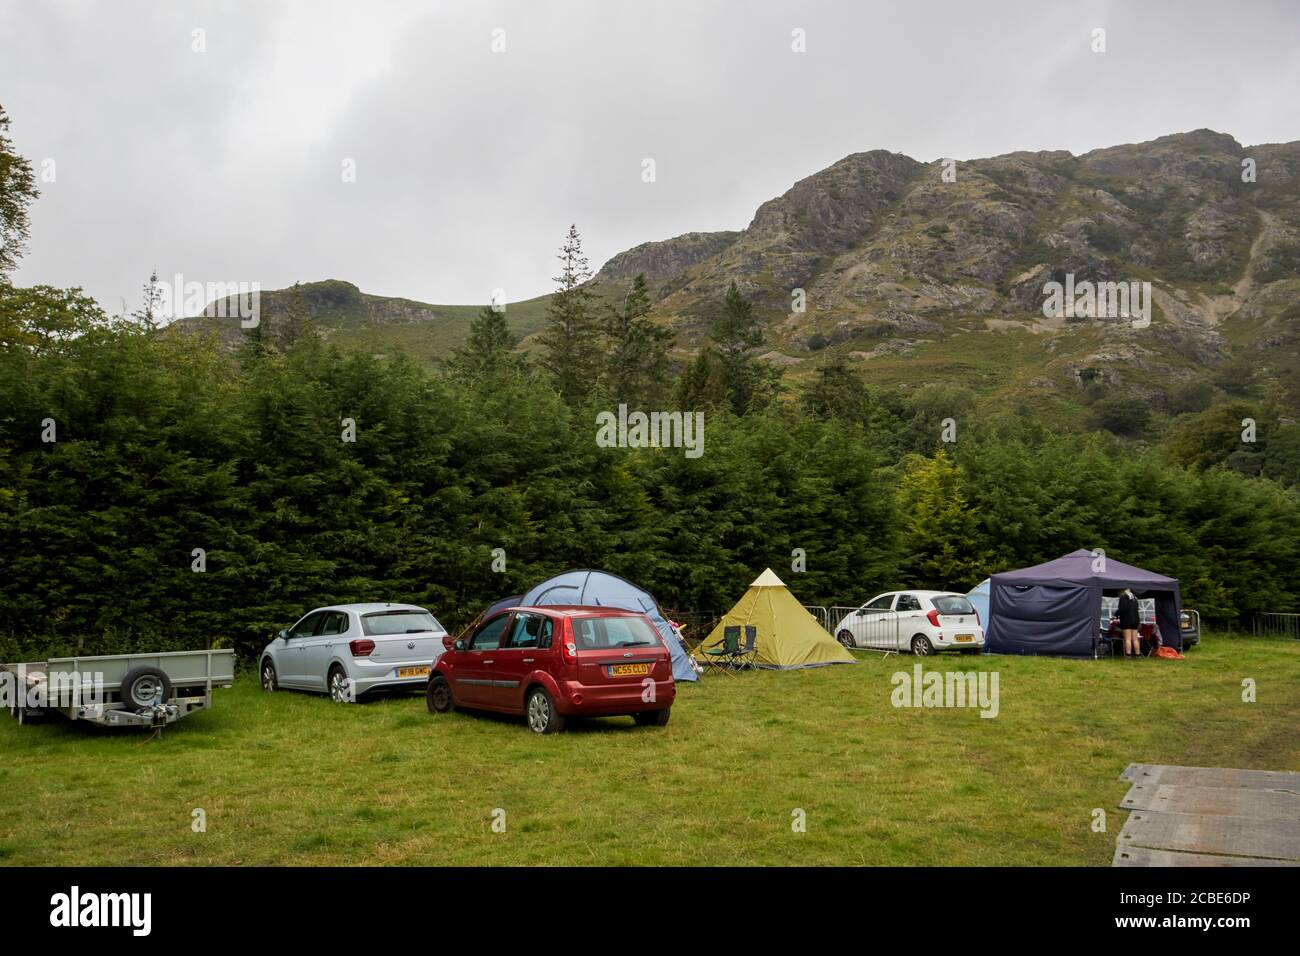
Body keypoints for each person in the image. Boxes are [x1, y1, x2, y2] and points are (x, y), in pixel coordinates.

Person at [1117, 587, 1141, 658]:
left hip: (1127, 621)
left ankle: (1128, 655)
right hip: (1136, 620)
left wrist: (1115, 614)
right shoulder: (1135, 598)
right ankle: (1138, 655)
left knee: (1127, 639)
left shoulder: (1123, 598)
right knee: (1135, 639)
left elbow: (1122, 609)